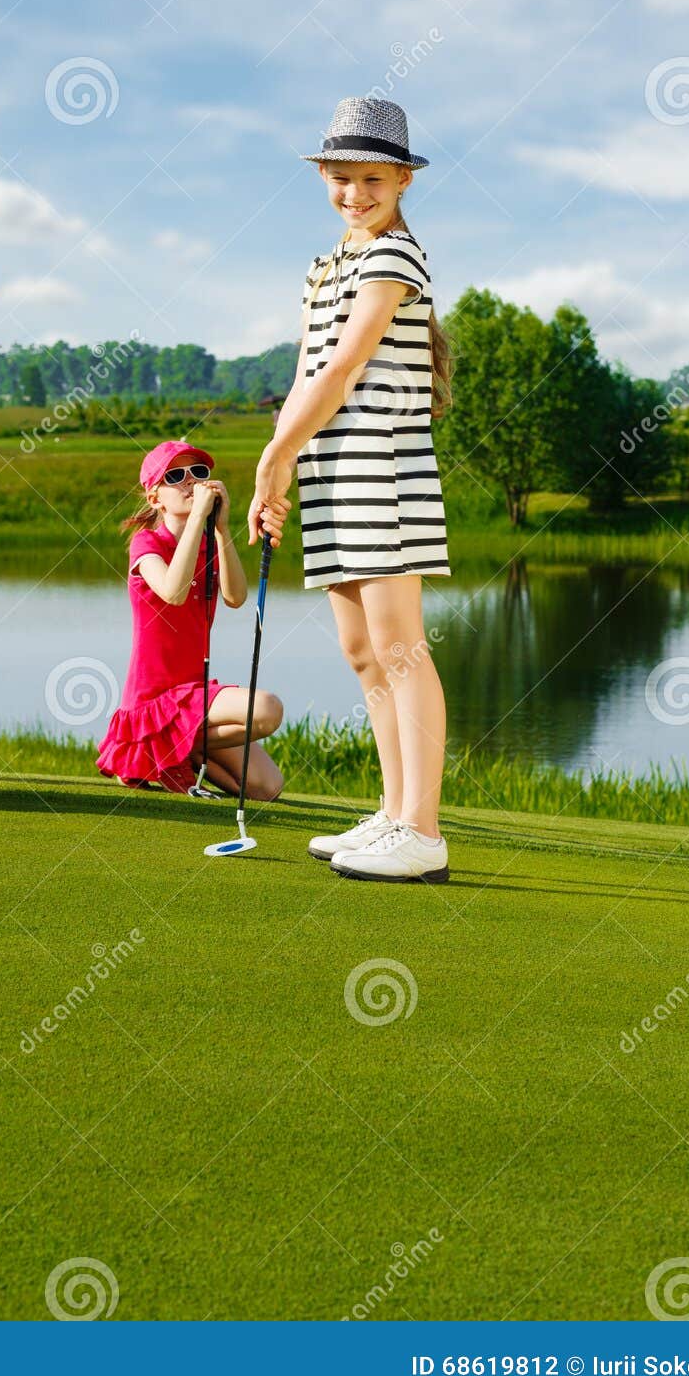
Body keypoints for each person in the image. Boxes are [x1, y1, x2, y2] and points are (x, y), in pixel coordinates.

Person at [248, 96, 453, 883]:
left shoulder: (393, 258)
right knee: (362, 650)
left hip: (384, 468)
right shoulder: (325, 264)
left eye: (370, 179)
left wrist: (273, 462)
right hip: (332, 468)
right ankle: (392, 811)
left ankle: (422, 831)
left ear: (402, 180)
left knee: (401, 649)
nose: (353, 194)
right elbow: (304, 374)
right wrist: (284, 461)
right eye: (339, 179)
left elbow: (344, 368)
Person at [96, 441, 284, 799]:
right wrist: (199, 516)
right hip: (153, 699)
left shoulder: (209, 545)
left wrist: (222, 529)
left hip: (194, 694)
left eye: (198, 473)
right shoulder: (147, 543)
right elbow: (173, 591)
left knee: (267, 787)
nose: (190, 483)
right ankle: (165, 748)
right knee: (266, 709)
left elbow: (236, 597)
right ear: (155, 498)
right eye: (175, 476)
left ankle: (178, 752)